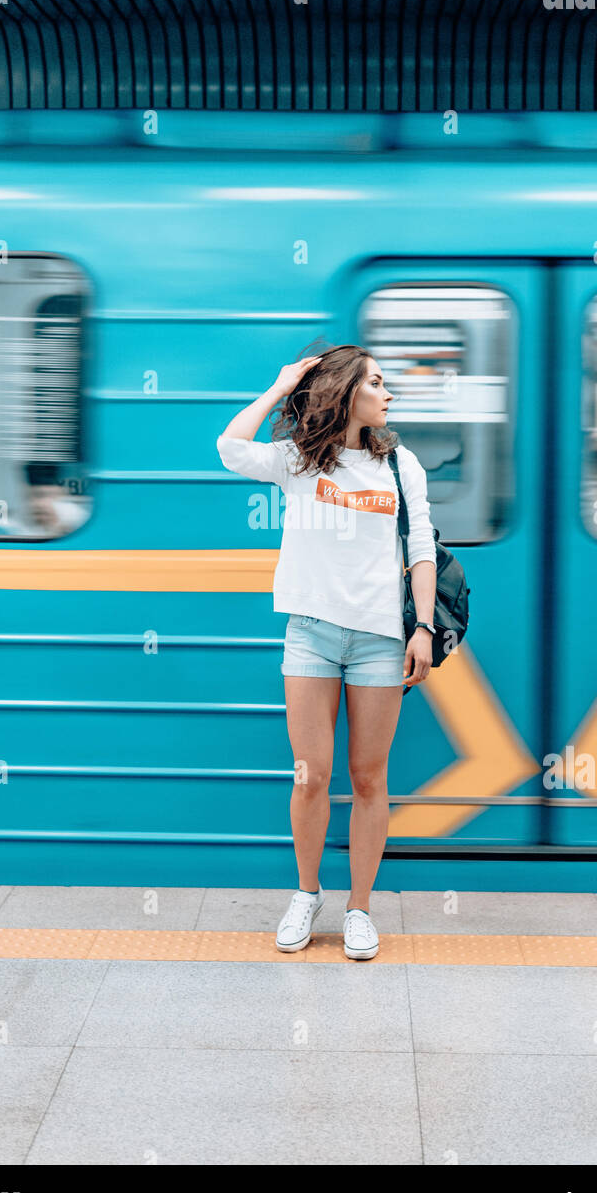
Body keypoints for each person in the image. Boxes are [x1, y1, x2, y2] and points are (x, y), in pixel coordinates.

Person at [216, 345, 437, 960]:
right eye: (377, 383)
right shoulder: (299, 460)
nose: (388, 394)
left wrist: (422, 628)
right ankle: (306, 894)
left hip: (379, 638)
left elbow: (420, 548)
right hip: (310, 633)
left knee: (369, 778)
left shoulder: (401, 466)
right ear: (346, 392)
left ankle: (360, 908)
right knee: (311, 774)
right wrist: (280, 382)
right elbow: (231, 449)